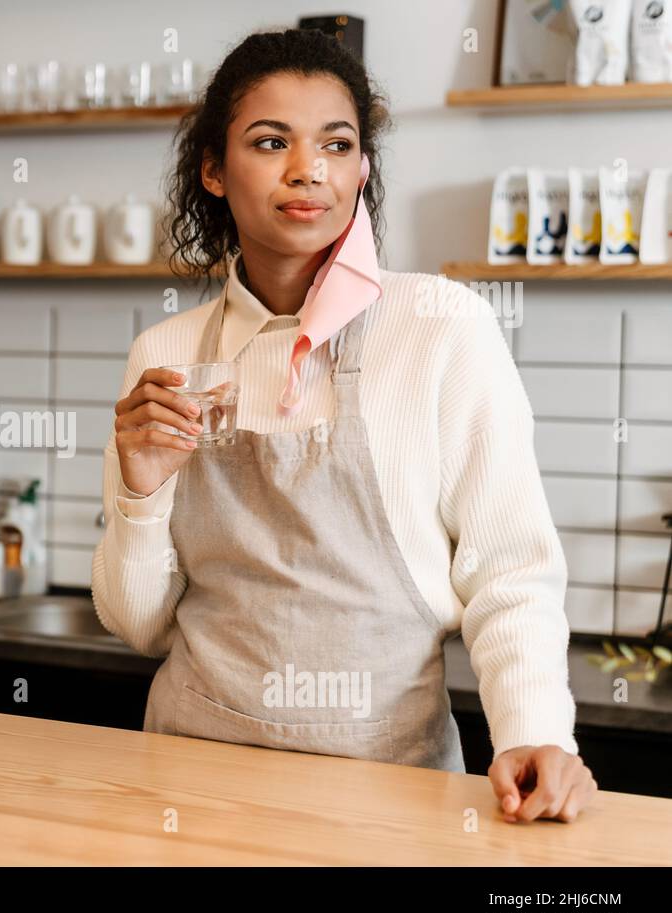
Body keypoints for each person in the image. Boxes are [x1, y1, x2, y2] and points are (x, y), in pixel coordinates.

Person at [91, 28, 597, 824]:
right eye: (270, 142)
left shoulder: (441, 327)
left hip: (388, 794)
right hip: (185, 782)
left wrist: (534, 732)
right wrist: (141, 491)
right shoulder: (167, 355)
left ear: (362, 168)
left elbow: (510, 572)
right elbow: (138, 623)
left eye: (337, 143)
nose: (308, 169)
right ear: (214, 170)